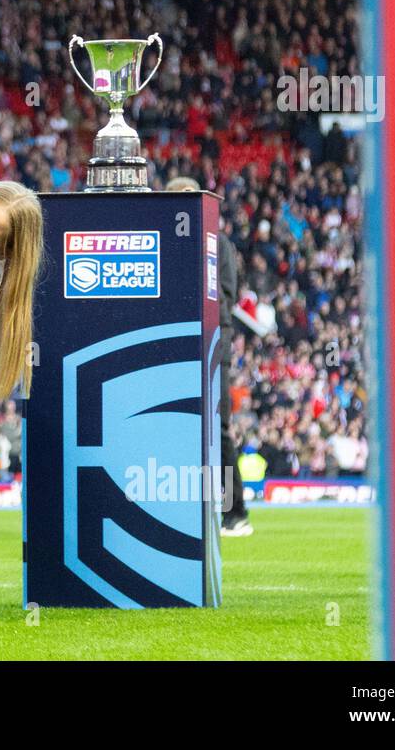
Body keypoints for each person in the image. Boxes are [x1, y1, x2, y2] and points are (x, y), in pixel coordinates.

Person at [165, 176, 251, 535]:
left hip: (212, 341)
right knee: (176, 425)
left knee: (219, 428)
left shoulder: (218, 243)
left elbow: (225, 296)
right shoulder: (168, 244)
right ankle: (184, 509)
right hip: (178, 343)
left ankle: (235, 512)